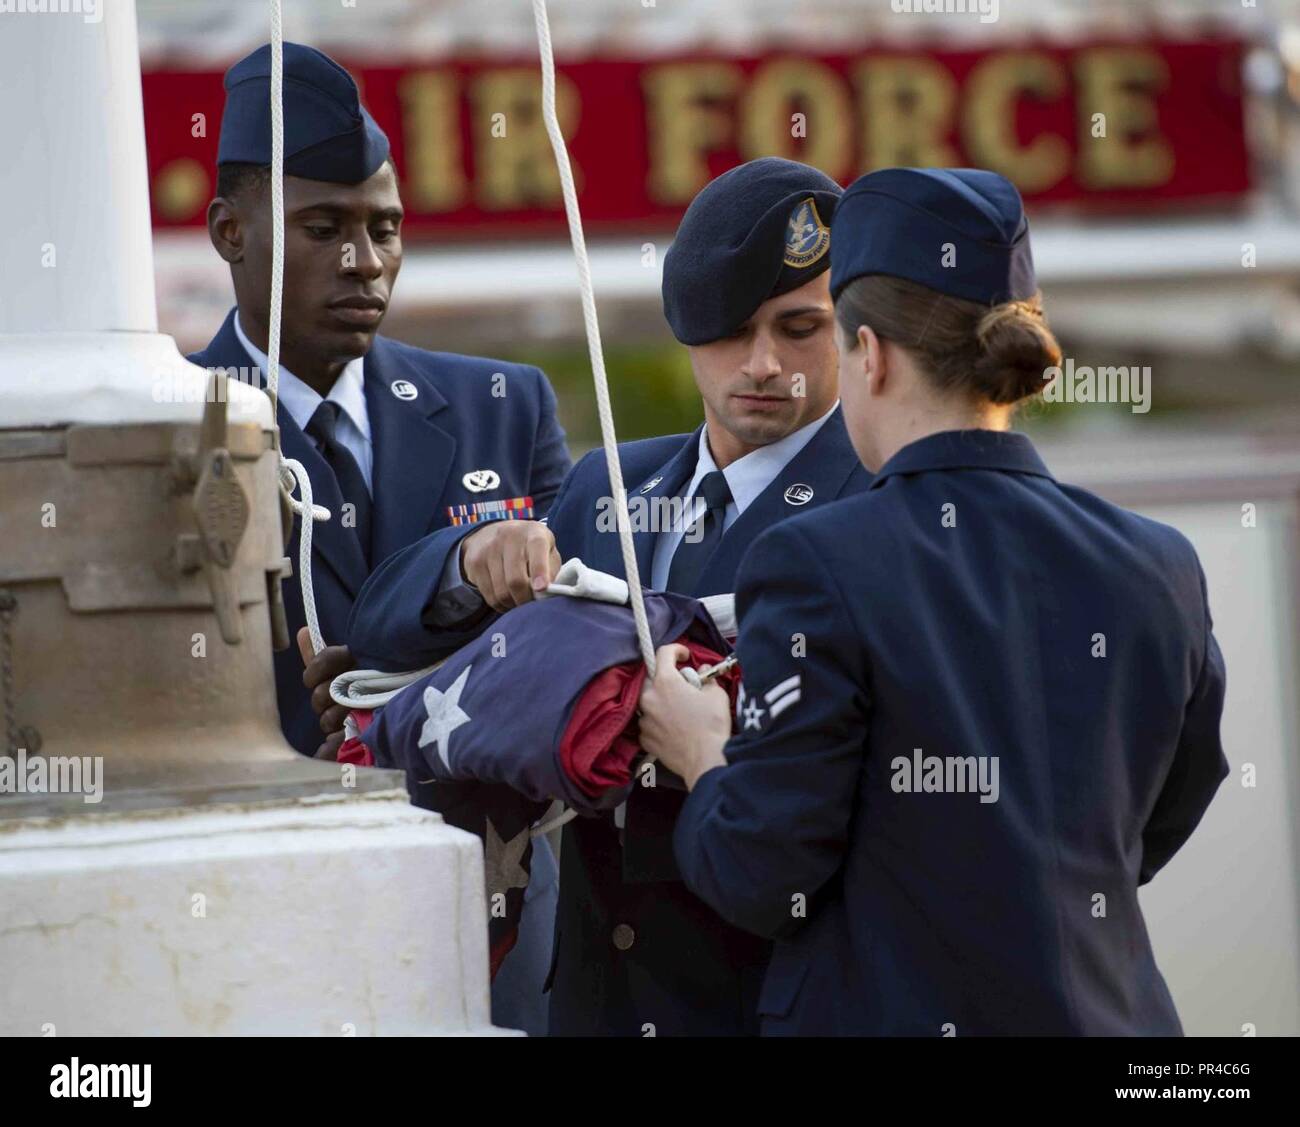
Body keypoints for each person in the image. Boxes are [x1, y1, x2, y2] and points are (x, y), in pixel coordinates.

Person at [638, 167, 1229, 1036]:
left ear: (869, 354)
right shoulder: (1158, 560)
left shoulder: (814, 561)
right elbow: (1171, 802)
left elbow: (763, 874)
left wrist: (702, 756)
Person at [345, 158, 872, 1035]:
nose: (764, 364)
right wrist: (474, 558)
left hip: (763, 998)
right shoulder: (606, 487)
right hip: (600, 999)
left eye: (800, 327)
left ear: (854, 327)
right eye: (730, 330)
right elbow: (379, 631)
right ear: (683, 329)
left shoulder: (875, 504)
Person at [187, 42, 569, 1035]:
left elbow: (576, 625)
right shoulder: (165, 425)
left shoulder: (501, 404)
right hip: (258, 912)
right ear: (230, 232)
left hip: (494, 908)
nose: (365, 262)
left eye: (385, 229)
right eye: (325, 228)